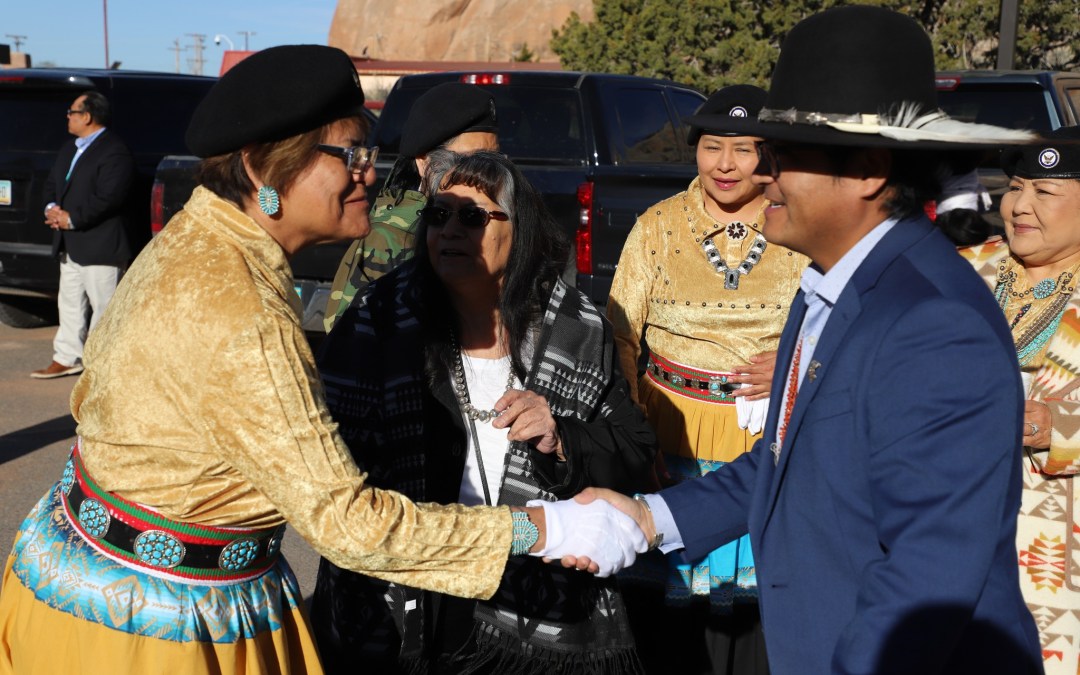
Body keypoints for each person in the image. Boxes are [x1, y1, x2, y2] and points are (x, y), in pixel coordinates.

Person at [0, 45, 643, 675]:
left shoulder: (200, 240)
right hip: (153, 630)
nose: (370, 171)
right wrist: (542, 530)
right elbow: (348, 523)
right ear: (262, 169)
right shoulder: (239, 305)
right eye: (350, 155)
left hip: (99, 574)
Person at [566, 6, 1046, 674]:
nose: (763, 173)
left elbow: (926, 572)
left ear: (871, 170)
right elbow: (787, 460)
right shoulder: (828, 287)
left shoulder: (934, 325)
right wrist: (650, 518)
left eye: (784, 155)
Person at [311, 149, 656, 674]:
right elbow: (322, 461)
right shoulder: (378, 321)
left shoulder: (576, 329)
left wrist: (562, 437)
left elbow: (634, 452)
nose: (449, 230)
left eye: (472, 216)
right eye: (438, 215)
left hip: (531, 604)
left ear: (520, 232)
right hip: (405, 586)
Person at [606, 84, 807, 675]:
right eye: (713, 147)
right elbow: (620, 333)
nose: (725, 164)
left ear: (769, 154)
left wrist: (796, 358)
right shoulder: (658, 226)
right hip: (670, 437)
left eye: (743, 149)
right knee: (670, 617)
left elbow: (844, 324)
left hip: (768, 440)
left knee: (756, 622)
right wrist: (635, 434)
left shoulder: (798, 227)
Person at [960, 126, 1080, 675]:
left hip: (1056, 549)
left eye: (1045, 192)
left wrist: (1052, 426)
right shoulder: (958, 272)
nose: (1020, 206)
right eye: (1015, 187)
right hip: (950, 525)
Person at [322, 82, 499, 333]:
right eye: (471, 159)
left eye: (495, 159)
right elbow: (346, 343)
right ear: (424, 163)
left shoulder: (503, 223)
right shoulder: (387, 238)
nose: (487, 171)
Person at [31, 91, 134, 379]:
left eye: (72, 111)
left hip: (100, 243)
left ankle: (104, 364)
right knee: (69, 302)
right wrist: (52, 209)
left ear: (87, 116)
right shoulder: (70, 148)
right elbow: (52, 183)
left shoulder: (114, 150)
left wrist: (73, 219)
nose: (68, 116)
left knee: (105, 305)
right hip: (69, 243)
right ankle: (67, 357)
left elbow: (111, 196)